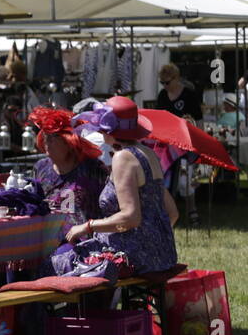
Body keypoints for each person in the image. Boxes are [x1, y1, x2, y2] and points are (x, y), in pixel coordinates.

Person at [51, 97, 179, 278]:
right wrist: (153, 238)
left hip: (134, 257)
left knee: (57, 261)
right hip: (163, 255)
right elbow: (173, 212)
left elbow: (130, 217)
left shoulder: (123, 157)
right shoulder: (148, 154)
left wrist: (87, 226)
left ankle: (83, 307)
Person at [26, 107, 107, 228]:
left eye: (54, 136)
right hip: (48, 238)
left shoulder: (92, 168)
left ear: (69, 141)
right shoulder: (41, 167)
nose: (47, 140)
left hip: (84, 239)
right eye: (45, 135)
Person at [155, 64, 201, 223]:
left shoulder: (188, 95)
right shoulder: (162, 95)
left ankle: (191, 209)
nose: (165, 86)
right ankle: (168, 213)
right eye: (162, 83)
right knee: (164, 178)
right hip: (167, 144)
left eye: (167, 82)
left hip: (186, 143)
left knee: (185, 179)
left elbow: (198, 120)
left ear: (176, 78)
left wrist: (196, 141)